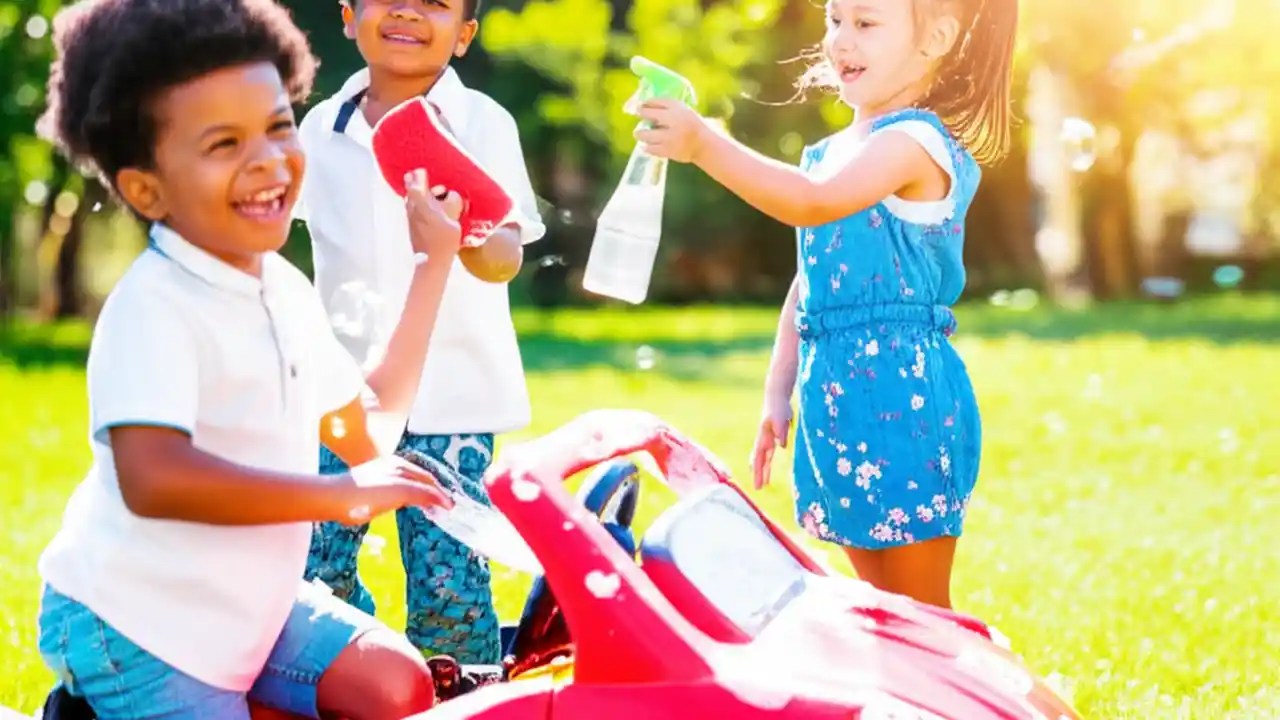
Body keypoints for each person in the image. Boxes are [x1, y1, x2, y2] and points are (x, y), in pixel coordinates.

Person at [32, 0, 468, 717]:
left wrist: (434, 262)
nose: (267, 160)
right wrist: (338, 495)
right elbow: (155, 479)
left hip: (245, 609)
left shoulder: (281, 290)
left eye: (276, 127)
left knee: (397, 685)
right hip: (139, 625)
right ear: (146, 188)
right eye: (223, 144)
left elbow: (368, 426)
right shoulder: (155, 306)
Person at [634, 0, 1017, 609]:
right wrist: (776, 389)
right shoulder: (830, 152)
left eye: (866, 24)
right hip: (834, 400)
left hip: (902, 398)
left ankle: (980, 702)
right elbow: (809, 277)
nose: (841, 40)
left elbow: (810, 204)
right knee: (879, 608)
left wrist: (705, 143)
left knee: (924, 613)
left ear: (936, 38)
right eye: (835, 20)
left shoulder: (915, 142)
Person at [293, 0, 546, 666]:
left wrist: (461, 238)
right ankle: (363, 672)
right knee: (315, 564)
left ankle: (462, 691)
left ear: (464, 35)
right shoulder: (320, 129)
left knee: (448, 584)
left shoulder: (484, 123)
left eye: (435, 3)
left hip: (453, 398)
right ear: (349, 16)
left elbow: (506, 257)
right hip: (344, 398)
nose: (408, 11)